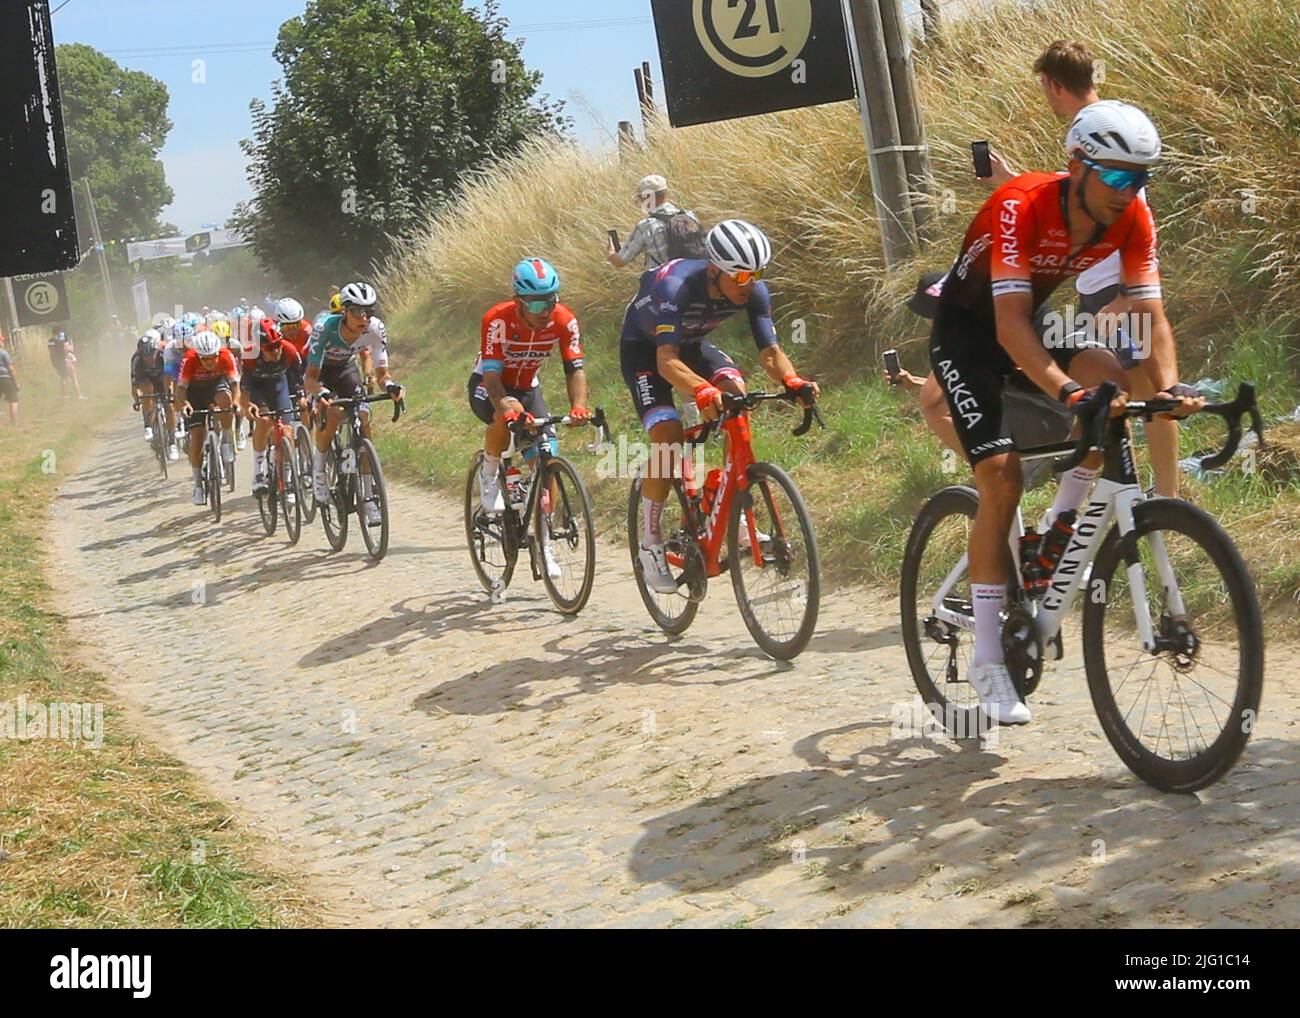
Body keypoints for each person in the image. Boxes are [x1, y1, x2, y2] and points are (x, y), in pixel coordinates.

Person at [930, 101, 1203, 725]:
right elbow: (1006, 325)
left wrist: (1167, 390)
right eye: (1114, 176)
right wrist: (1060, 391)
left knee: (1111, 383)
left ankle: (1052, 542)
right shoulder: (1018, 206)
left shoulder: (1130, 215)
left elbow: (1148, 313)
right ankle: (988, 659)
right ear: (1076, 165)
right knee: (999, 476)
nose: (1127, 190)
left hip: (1038, 319)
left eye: (1139, 178)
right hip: (971, 335)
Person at [977, 40, 1179, 497]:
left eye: (1043, 89)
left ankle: (1165, 499)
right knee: (1116, 396)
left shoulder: (1111, 135)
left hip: (1115, 289)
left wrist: (1127, 296)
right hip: (1100, 288)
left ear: (1053, 84)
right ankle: (1108, 495)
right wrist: (1010, 181)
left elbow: (1136, 215)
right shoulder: (1094, 129)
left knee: (1146, 392)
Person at [619, 219, 819, 592]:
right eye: (741, 277)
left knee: (736, 395)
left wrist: (793, 381)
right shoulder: (675, 286)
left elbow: (772, 352)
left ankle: (734, 505)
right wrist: (701, 391)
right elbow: (665, 361)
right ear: (714, 270)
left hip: (692, 346)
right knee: (668, 435)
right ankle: (650, 543)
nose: (750, 285)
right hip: (646, 351)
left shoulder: (753, 290)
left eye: (756, 275)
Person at [469, 258, 591, 578]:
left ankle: (544, 541)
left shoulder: (564, 320)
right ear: (518, 300)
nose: (544, 310)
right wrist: (505, 405)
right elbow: (492, 380)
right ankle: (489, 472)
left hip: (528, 388)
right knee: (502, 416)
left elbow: (574, 369)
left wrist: (578, 405)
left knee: (547, 454)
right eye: (536, 302)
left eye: (550, 300)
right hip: (490, 385)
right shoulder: (497, 320)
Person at [304, 282, 404, 527]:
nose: (364, 317)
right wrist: (320, 392)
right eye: (358, 311)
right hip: (320, 372)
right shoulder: (324, 328)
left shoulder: (376, 329)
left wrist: (390, 386)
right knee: (335, 412)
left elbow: (382, 375)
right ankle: (318, 470)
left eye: (369, 311)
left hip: (346, 369)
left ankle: (368, 496)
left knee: (363, 415)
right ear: (344, 311)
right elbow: (310, 378)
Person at [239, 316, 306, 497]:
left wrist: (302, 397)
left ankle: (288, 480)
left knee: (287, 432)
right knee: (264, 421)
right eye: (269, 348)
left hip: (279, 387)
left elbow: (301, 381)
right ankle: (258, 473)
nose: (275, 351)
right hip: (258, 390)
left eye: (278, 345)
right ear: (259, 347)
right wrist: (249, 406)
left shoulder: (290, 351)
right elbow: (244, 389)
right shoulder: (249, 356)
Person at [175, 330, 241, 505]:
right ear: (198, 356)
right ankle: (197, 485)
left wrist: (235, 402)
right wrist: (185, 404)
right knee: (197, 438)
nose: (209, 362)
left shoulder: (226, 356)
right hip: (194, 393)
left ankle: (227, 439)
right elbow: (180, 389)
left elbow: (235, 385)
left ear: (218, 353)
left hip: (216, 387)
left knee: (225, 401)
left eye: (212, 357)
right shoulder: (189, 359)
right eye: (205, 359)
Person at [606, 174, 702, 270]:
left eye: (640, 199)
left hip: (663, 282)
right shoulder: (690, 216)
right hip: (693, 278)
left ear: (647, 198)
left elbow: (620, 261)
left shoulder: (646, 226)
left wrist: (611, 253)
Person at [130, 329, 179, 459]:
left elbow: (170, 377)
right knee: (147, 389)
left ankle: (172, 441)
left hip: (162, 379)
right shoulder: (136, 360)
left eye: (151, 355)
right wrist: (136, 400)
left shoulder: (163, 356)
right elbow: (134, 385)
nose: (149, 358)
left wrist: (171, 395)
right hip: (146, 380)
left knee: (169, 407)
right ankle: (148, 425)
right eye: (145, 356)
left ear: (156, 351)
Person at [0, 343, 19, 427]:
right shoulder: (3, 353)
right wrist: (16, 383)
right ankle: (14, 425)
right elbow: (11, 369)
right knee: (13, 401)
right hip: (5, 378)